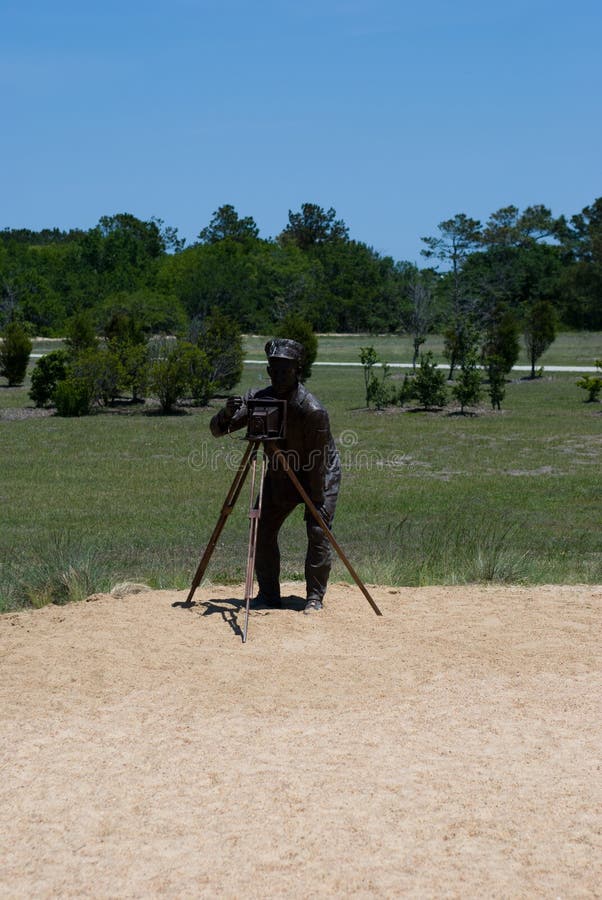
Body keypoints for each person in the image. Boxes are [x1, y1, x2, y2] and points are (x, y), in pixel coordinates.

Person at [210, 338, 341, 614]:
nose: (280, 375)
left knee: (318, 530)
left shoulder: (312, 410)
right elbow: (218, 430)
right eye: (275, 369)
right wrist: (227, 412)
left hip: (317, 474)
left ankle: (314, 597)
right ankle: (269, 594)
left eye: (286, 369)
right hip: (281, 473)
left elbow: (318, 461)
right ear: (268, 371)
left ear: (297, 371)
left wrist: (315, 505)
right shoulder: (260, 399)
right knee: (261, 528)